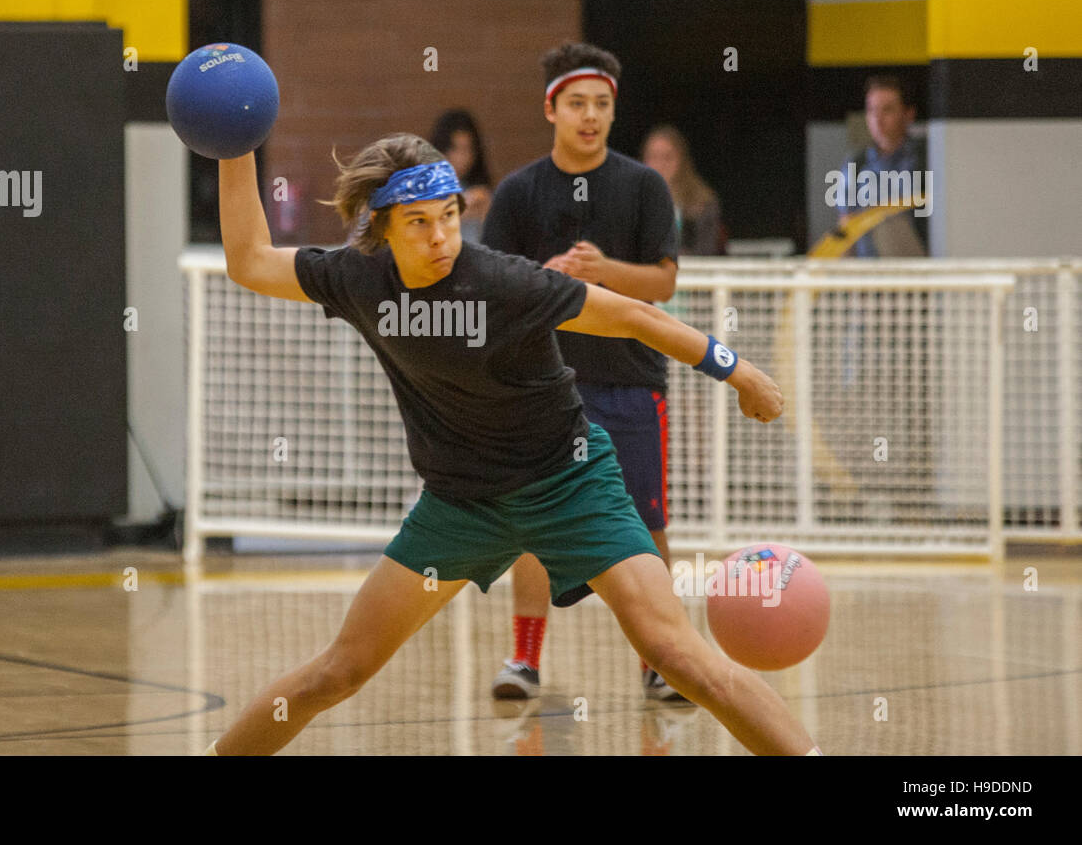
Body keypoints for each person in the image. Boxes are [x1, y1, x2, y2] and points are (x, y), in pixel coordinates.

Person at [205, 131, 821, 756]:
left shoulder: (503, 283)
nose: (441, 237)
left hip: (571, 486)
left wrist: (737, 369)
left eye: (449, 217)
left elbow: (638, 315)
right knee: (339, 671)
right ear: (382, 227)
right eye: (418, 223)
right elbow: (249, 260)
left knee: (679, 657)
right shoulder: (358, 277)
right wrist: (235, 139)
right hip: (459, 506)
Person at [481, 43, 688, 703]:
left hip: (630, 382)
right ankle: (524, 660)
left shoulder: (643, 186)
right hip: (542, 387)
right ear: (551, 108)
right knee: (532, 527)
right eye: (577, 104)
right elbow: (488, 287)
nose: (590, 116)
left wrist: (604, 274)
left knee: (646, 526)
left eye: (601, 104)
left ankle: (662, 663)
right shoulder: (517, 193)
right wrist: (550, 277)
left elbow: (663, 280)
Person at [834, 75, 928, 258]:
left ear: (908, 114)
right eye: (872, 110)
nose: (877, 119)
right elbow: (846, 225)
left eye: (887, 110)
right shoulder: (855, 163)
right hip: (868, 276)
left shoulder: (926, 159)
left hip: (913, 273)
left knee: (890, 224)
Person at [642, 125, 727, 256]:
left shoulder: (702, 204)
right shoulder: (631, 201)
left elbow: (707, 253)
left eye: (667, 157)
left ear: (682, 160)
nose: (660, 165)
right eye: (653, 157)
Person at [430, 108, 493, 241]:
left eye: (468, 149)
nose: (461, 158)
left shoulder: (476, 189)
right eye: (454, 149)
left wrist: (488, 210)